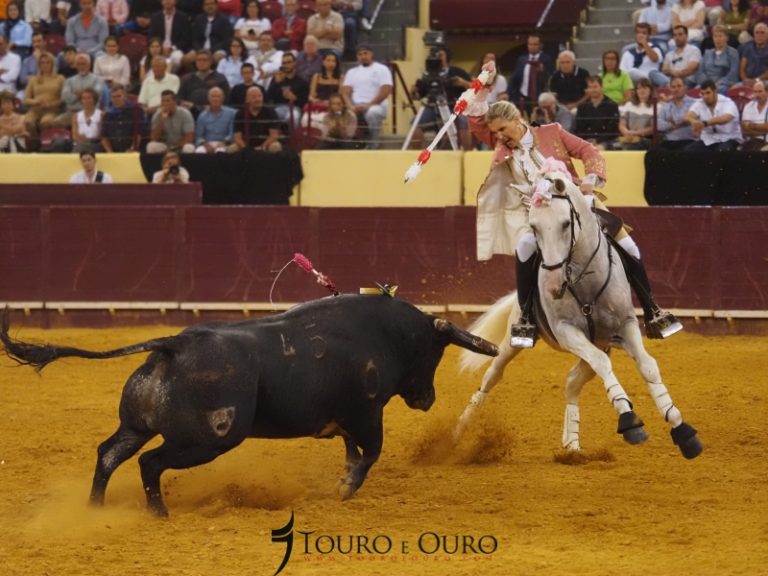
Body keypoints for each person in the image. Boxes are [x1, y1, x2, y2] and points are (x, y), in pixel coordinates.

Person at [468, 59, 682, 346]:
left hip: (578, 202)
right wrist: (484, 83)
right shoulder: (503, 148)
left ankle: (653, 310)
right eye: (496, 133)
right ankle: (527, 318)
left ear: (518, 120)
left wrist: (591, 179)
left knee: (629, 246)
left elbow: (587, 150)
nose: (499, 136)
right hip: (539, 214)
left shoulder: (552, 132)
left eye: (503, 129)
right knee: (525, 247)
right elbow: (477, 118)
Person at [408, 44, 472, 150]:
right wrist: (413, 92)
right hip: (432, 106)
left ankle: (467, 154)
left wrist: (463, 83)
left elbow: (474, 88)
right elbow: (418, 97)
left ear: (447, 56)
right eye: (435, 55)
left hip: (454, 105)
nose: (438, 57)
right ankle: (415, 154)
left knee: (464, 123)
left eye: (440, 55)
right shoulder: (428, 75)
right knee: (415, 124)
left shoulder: (457, 72)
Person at [341, 44, 392, 149]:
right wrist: (350, 106)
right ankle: (350, 145)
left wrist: (368, 105)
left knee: (372, 113)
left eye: (365, 53)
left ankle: (373, 144)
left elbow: (386, 90)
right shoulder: (352, 72)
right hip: (355, 105)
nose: (363, 56)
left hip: (376, 105)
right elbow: (345, 93)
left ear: (371, 54)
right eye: (360, 54)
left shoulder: (382, 69)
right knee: (346, 115)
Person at [683, 78, 743, 149]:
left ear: (715, 91)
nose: (705, 97)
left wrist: (705, 123)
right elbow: (687, 117)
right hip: (709, 139)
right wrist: (694, 122)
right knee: (689, 149)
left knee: (722, 150)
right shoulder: (700, 103)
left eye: (708, 93)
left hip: (729, 138)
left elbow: (725, 119)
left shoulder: (727, 102)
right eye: (702, 94)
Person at [507, 32, 555, 114]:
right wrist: (508, 92)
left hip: (539, 97)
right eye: (530, 44)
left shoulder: (546, 59)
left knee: (536, 122)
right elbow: (515, 78)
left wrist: (543, 71)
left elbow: (551, 78)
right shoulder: (522, 59)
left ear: (541, 45)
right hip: (522, 96)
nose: (532, 47)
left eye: (535, 44)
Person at [23, 51, 66, 138]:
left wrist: (51, 104)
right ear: (39, 65)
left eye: (47, 62)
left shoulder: (60, 78)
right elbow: (26, 99)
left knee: (46, 122)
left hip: (52, 110)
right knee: (27, 122)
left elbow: (64, 98)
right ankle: (34, 146)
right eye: (42, 63)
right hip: (35, 109)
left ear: (52, 64)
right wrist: (36, 101)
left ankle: (45, 146)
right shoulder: (34, 80)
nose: (45, 65)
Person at [178, 50, 230, 117]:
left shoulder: (220, 78)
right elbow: (179, 98)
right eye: (199, 60)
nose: (201, 62)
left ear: (211, 62)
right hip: (190, 113)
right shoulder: (186, 78)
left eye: (205, 60)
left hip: (214, 113)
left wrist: (214, 106)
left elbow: (226, 99)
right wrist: (185, 104)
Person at [574, 75, 620, 148]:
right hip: (586, 141)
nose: (593, 90)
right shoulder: (582, 107)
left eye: (595, 87)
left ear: (601, 87)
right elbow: (579, 129)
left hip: (606, 141)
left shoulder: (612, 105)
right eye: (590, 87)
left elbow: (613, 130)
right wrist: (588, 141)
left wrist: (598, 141)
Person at [265, 50, 309, 126]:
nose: (286, 65)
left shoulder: (302, 81)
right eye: (284, 63)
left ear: (295, 63)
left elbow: (305, 102)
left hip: (295, 108)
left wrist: (294, 98)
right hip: (279, 106)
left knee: (292, 117)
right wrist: (276, 83)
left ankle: (292, 137)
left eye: (289, 62)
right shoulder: (277, 78)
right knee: (272, 115)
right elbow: (268, 97)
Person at [232, 84, 282, 150]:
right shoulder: (240, 114)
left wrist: (261, 147)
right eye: (254, 97)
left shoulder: (270, 112)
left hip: (266, 145)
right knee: (232, 148)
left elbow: (274, 136)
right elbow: (237, 138)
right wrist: (247, 149)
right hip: (246, 147)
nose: (258, 99)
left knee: (275, 146)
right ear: (247, 99)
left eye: (260, 96)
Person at [148, 0, 193, 72]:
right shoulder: (155, 17)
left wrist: (172, 48)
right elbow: (151, 36)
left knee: (176, 58)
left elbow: (186, 38)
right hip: (159, 48)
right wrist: (161, 48)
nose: (167, 1)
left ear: (175, 1)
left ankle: (169, 76)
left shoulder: (183, 17)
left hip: (176, 48)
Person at [147, 88, 196, 153]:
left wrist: (173, 148)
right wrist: (162, 121)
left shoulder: (185, 114)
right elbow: (154, 138)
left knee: (189, 148)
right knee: (151, 147)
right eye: (163, 101)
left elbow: (189, 138)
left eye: (167, 101)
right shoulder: (157, 115)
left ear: (174, 102)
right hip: (165, 146)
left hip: (181, 145)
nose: (165, 103)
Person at [61, 53, 105, 122]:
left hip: (91, 112)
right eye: (79, 64)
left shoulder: (98, 79)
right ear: (76, 65)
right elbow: (65, 98)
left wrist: (78, 93)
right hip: (72, 112)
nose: (81, 66)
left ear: (89, 65)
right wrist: (84, 94)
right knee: (52, 123)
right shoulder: (69, 81)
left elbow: (96, 94)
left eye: (84, 64)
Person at [696, 24, 740, 93]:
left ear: (727, 38)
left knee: (716, 91)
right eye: (715, 36)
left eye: (720, 36)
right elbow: (700, 71)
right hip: (706, 83)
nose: (717, 39)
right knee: (695, 92)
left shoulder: (733, 53)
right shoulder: (707, 53)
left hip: (723, 84)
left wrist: (719, 83)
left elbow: (733, 72)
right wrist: (707, 83)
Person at [656, 76, 697, 148]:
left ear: (685, 88)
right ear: (670, 89)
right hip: (669, 141)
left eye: (679, 86)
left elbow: (687, 118)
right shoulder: (666, 106)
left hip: (689, 141)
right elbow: (659, 125)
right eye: (673, 87)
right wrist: (673, 125)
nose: (676, 89)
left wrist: (673, 121)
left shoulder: (694, 103)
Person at [101, 83, 142, 152]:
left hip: (132, 151)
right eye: (113, 97)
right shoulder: (107, 115)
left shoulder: (135, 111)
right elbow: (104, 137)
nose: (116, 99)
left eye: (118, 96)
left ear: (125, 96)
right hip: (113, 152)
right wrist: (110, 152)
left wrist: (132, 149)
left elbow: (138, 133)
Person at [616, 78, 655, 150]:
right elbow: (622, 124)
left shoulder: (656, 106)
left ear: (651, 90)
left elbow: (653, 128)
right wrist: (626, 132)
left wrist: (635, 133)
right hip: (629, 137)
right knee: (612, 145)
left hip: (646, 139)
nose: (641, 91)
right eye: (639, 88)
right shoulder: (629, 105)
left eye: (645, 88)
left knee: (628, 148)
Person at [194, 85, 236, 152]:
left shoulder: (231, 113)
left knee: (220, 151)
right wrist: (206, 145)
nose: (215, 99)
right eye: (213, 96)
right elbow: (199, 136)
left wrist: (223, 143)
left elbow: (231, 134)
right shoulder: (202, 116)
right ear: (209, 98)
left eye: (218, 96)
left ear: (222, 98)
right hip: (207, 143)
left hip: (224, 143)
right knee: (199, 151)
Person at [71, 87, 103, 153]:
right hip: (80, 143)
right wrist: (81, 138)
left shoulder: (101, 114)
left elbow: (101, 134)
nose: (86, 100)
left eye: (89, 98)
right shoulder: (76, 116)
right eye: (84, 98)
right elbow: (74, 135)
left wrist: (88, 140)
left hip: (95, 144)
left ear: (94, 99)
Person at [740, 79, 768, 149]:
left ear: (767, 92)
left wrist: (751, 126)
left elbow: (747, 126)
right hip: (751, 141)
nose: (757, 95)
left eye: (760, 91)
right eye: (755, 92)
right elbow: (744, 129)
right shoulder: (749, 106)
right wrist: (762, 130)